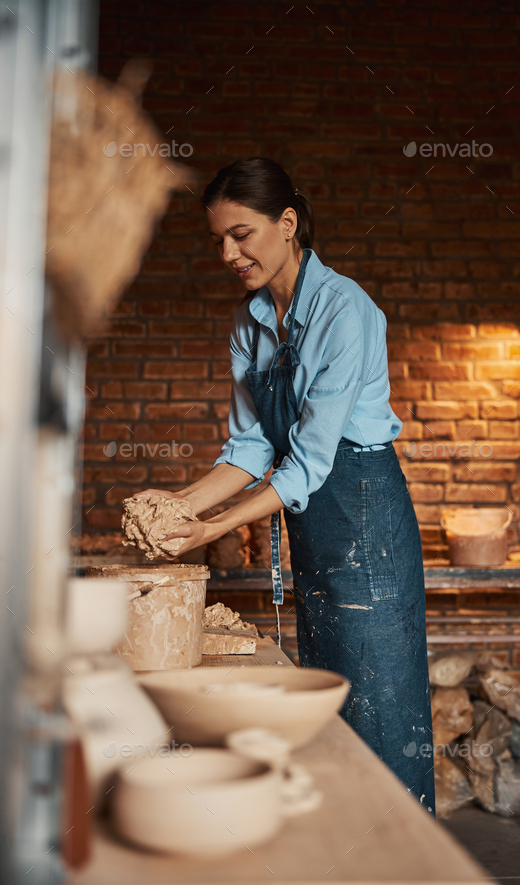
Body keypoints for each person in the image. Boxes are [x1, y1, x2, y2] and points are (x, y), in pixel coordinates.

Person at [136, 157, 435, 814]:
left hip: (365, 519)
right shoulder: (250, 323)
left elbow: (308, 461)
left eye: (241, 233)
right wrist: (176, 503)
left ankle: (402, 853)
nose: (228, 252)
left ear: (288, 223)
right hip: (314, 528)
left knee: (380, 713)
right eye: (218, 239)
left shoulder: (343, 309)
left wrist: (213, 528)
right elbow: (249, 450)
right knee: (325, 707)